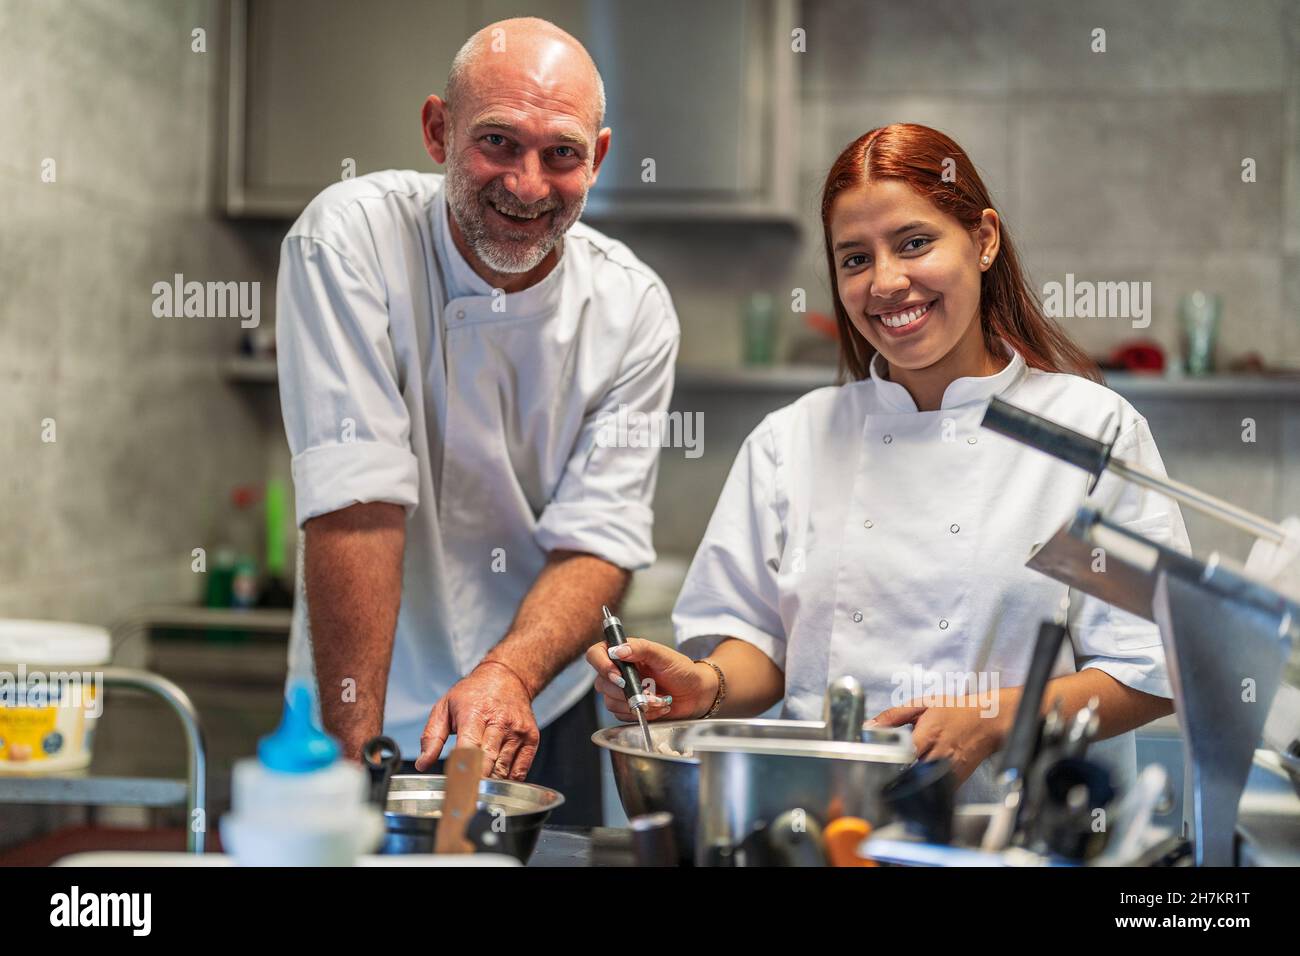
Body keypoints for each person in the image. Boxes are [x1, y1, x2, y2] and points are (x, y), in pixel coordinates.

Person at [586, 123, 1188, 801]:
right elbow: (760, 646)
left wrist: (993, 718)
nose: (887, 282)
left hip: (1009, 838)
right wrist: (708, 684)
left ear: (984, 240)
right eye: (855, 259)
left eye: (913, 243)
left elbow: (1151, 668)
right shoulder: (792, 440)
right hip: (820, 830)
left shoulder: (1088, 432)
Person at [277, 17, 679, 824]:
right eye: (497, 141)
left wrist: (507, 676)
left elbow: (597, 540)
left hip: (536, 699)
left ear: (597, 158)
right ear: (438, 131)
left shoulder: (634, 309)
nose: (528, 186)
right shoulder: (348, 240)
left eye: (562, 153)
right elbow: (358, 505)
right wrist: (353, 768)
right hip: (355, 698)